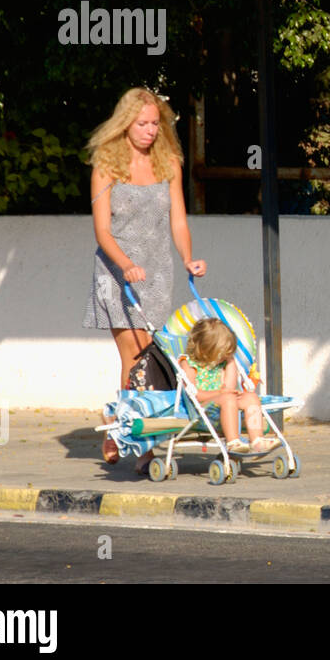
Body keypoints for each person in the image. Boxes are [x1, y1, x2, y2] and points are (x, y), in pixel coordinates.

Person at [83, 88, 206, 465]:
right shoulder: (106, 164)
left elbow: (179, 219)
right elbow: (102, 231)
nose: (151, 130)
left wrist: (188, 257)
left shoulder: (169, 162)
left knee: (151, 356)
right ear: (125, 124)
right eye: (143, 123)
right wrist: (125, 265)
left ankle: (118, 421)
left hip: (156, 272)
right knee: (136, 357)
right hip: (117, 273)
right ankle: (140, 442)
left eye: (156, 123)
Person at [178, 318, 278, 453]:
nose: (225, 357)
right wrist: (220, 393)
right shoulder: (189, 364)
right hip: (202, 409)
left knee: (251, 397)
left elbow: (229, 387)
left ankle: (257, 440)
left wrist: (231, 363)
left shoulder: (222, 364)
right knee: (228, 398)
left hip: (225, 402)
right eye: (222, 353)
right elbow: (195, 395)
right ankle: (233, 442)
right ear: (205, 349)